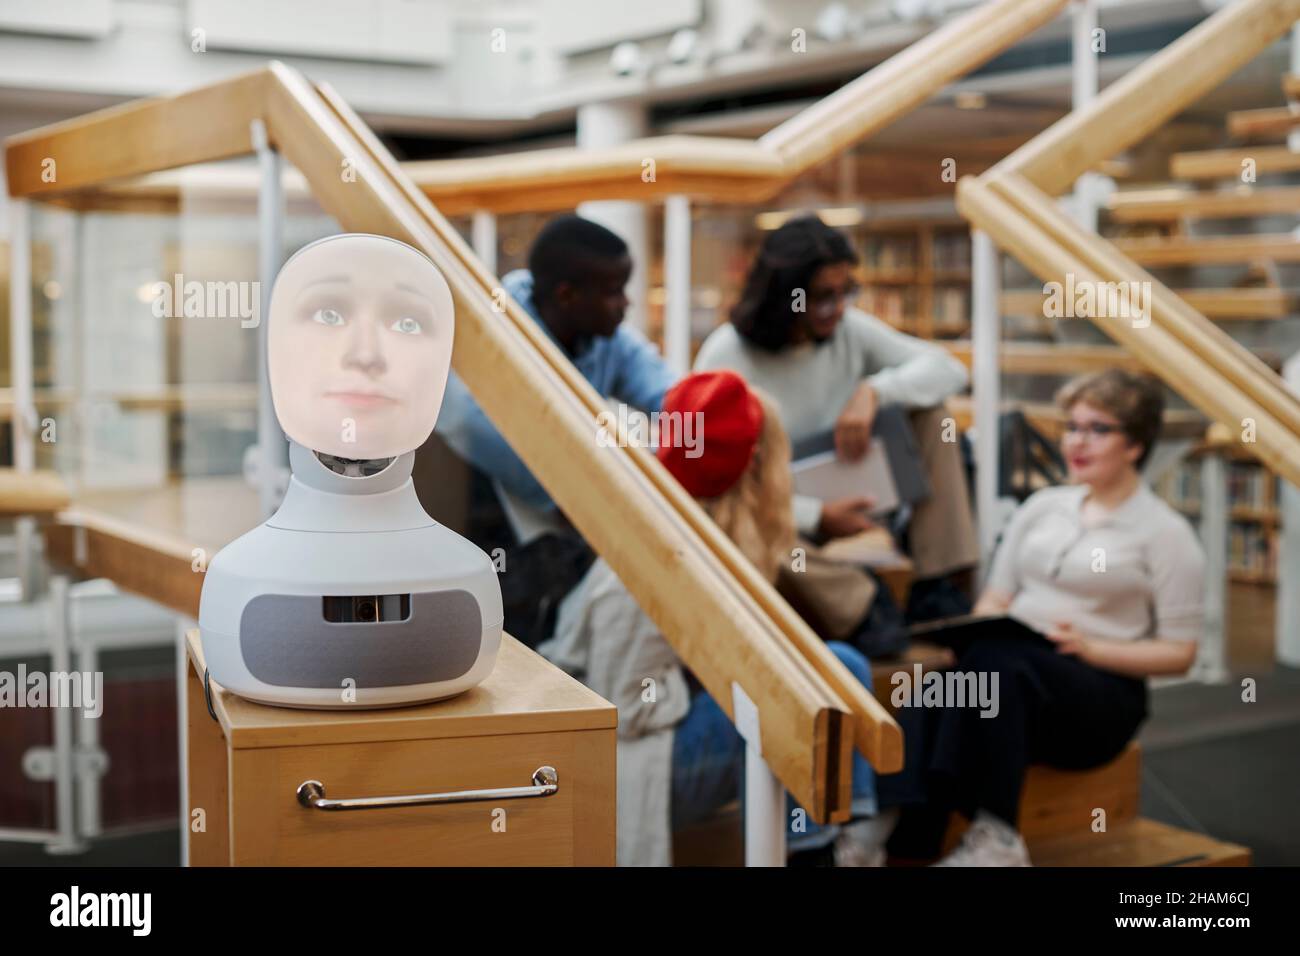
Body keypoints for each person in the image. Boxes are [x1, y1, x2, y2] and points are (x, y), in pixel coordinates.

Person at [539, 370, 891, 866]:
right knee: (821, 682)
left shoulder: (702, 530)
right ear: (755, 467)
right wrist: (713, 677)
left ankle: (828, 847)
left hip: (657, 747)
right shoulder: (656, 558)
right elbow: (625, 706)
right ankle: (823, 852)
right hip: (621, 766)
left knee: (832, 670)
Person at [873, 369, 1205, 866]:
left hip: (1098, 692)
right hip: (1010, 675)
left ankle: (996, 836)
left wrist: (1094, 649)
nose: (1077, 441)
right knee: (942, 682)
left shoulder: (1166, 533)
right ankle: (880, 832)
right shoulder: (1044, 506)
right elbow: (997, 599)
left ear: (1135, 445)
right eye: (1071, 426)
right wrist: (970, 635)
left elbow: (1180, 654)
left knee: (994, 667)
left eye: (1097, 429)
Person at [694, 215, 980, 633]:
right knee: (735, 530)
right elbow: (708, 485)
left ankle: (936, 583)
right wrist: (816, 515)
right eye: (823, 297)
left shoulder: (847, 331)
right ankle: (862, 605)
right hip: (780, 517)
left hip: (851, 484)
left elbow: (948, 369)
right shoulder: (727, 355)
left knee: (935, 418)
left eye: (846, 292)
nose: (838, 308)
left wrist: (875, 392)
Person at [436, 215, 675, 647]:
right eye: (613, 292)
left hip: (561, 524)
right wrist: (560, 493)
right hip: (487, 519)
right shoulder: (493, 328)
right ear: (566, 295)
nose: (626, 303)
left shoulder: (605, 337)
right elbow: (461, 416)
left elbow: (667, 394)